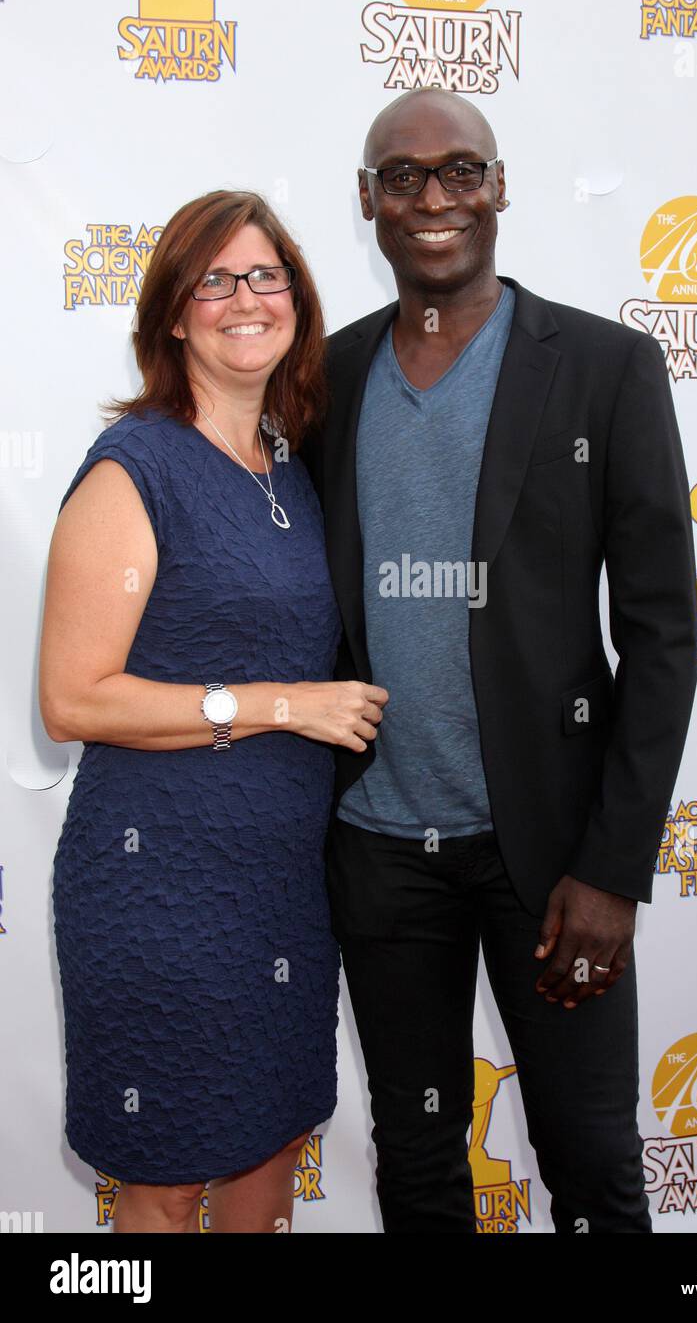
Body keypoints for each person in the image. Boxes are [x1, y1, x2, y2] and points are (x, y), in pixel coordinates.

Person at [300, 87, 697, 1233]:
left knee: (591, 1162)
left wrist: (613, 868)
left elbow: (663, 631)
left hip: (555, 861)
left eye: (459, 170)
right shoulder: (325, 379)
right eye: (402, 176)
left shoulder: (603, 366)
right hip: (379, 851)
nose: (433, 196)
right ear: (367, 202)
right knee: (420, 1161)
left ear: (499, 187)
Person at [39, 189, 387, 1233]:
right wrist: (283, 705)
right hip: (159, 889)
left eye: (266, 275)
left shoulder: (293, 469)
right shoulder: (134, 468)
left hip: (282, 888)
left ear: (297, 299)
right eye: (214, 281)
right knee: (163, 1176)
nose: (246, 298)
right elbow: (71, 697)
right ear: (173, 316)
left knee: (270, 1142)